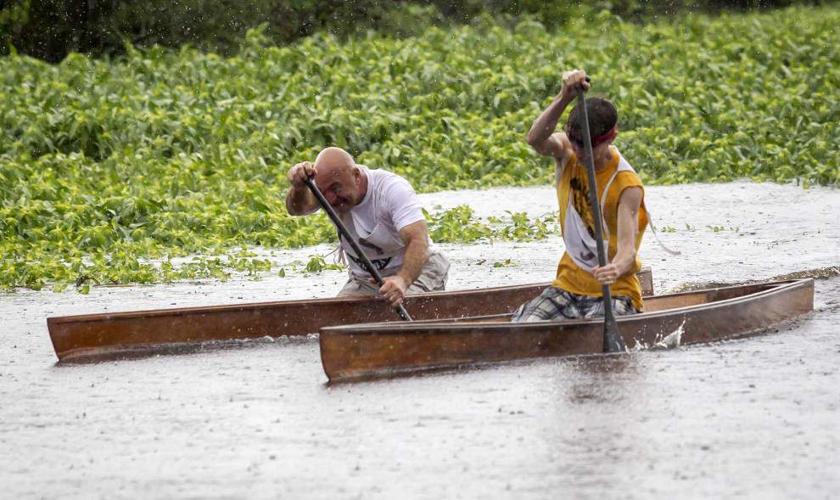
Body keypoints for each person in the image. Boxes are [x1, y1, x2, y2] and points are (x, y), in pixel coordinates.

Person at [512, 69, 649, 322]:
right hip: (567, 286)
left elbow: (628, 251)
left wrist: (614, 269)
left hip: (615, 291)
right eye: (576, 144)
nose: (580, 153)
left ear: (611, 138)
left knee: (595, 335)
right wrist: (564, 97)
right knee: (523, 326)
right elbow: (535, 139)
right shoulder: (567, 152)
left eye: (588, 147)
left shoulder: (627, 185)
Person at [286, 147, 449, 306]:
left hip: (415, 270)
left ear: (356, 176)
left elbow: (418, 240)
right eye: (324, 191)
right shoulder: (326, 192)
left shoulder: (391, 189)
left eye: (336, 188)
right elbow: (296, 209)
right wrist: (299, 188)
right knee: (335, 319)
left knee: (398, 318)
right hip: (365, 279)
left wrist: (402, 280)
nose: (331, 199)